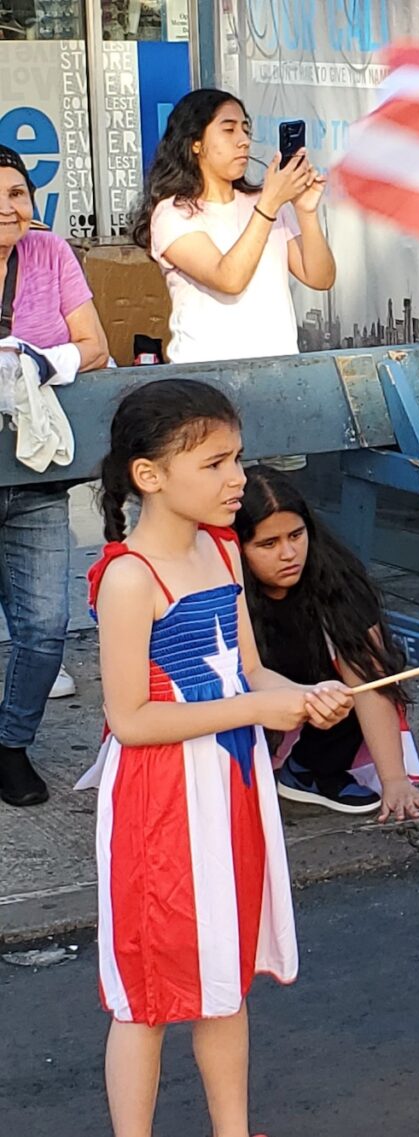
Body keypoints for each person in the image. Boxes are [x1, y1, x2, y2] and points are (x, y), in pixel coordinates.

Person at [84, 378, 352, 1136]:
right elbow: (129, 720)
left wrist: (303, 693)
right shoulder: (131, 578)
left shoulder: (220, 546)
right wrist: (258, 708)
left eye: (238, 457)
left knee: (224, 973)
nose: (238, 478)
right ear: (150, 475)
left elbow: (249, 668)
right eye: (215, 462)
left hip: (229, 783)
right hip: (161, 800)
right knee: (147, 989)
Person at [235, 465, 419, 819]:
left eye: (296, 535)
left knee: (350, 689)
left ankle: (311, 771)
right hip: (243, 715)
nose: (288, 554)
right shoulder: (218, 589)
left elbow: (370, 677)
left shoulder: (337, 578)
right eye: (268, 544)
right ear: (237, 548)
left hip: (319, 715)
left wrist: (394, 780)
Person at [0, 146, 109, 808]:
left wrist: (41, 361)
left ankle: (11, 743)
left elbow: (95, 346)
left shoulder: (51, 254)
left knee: (45, 625)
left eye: (17, 193)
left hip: (35, 471)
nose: (7, 207)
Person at [133, 89, 335, 366]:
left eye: (245, 130)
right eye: (228, 130)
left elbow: (320, 278)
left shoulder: (264, 202)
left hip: (280, 369)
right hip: (208, 374)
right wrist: (269, 204)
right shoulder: (173, 213)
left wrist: (305, 210)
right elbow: (229, 279)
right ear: (195, 143)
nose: (243, 142)